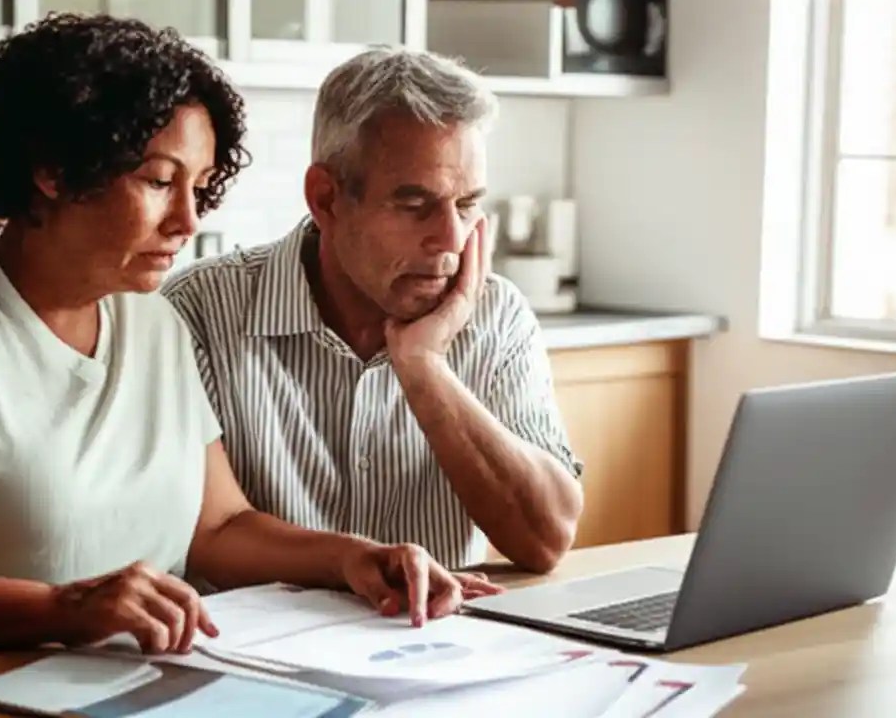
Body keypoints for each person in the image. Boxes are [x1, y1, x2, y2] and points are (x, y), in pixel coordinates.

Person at [0, 15, 499, 656]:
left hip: (138, 685)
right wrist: (58, 611)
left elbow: (220, 526)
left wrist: (354, 558)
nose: (188, 221)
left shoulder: (150, 321)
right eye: (158, 181)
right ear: (54, 169)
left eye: (199, 186)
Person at [162, 47, 585, 575]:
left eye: (468, 204)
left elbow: (545, 540)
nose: (450, 239)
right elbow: (201, 537)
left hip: (441, 648)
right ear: (326, 199)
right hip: (255, 653)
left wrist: (425, 369)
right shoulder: (198, 315)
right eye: (414, 205)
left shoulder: (497, 317)